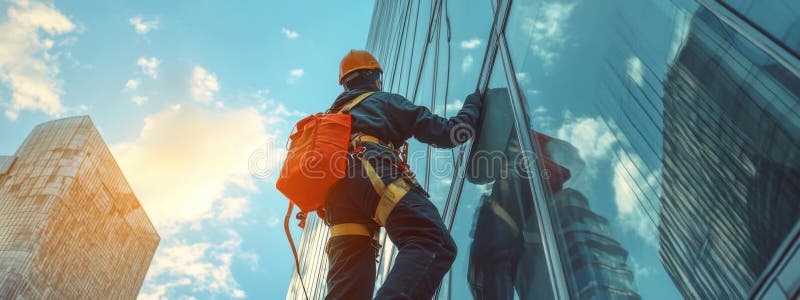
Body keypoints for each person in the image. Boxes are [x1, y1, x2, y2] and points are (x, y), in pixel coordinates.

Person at [324, 49, 481, 299]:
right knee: (431, 240)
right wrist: (473, 105)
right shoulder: (382, 101)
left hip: (336, 199)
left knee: (348, 289)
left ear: (345, 85)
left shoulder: (332, 118)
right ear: (375, 78)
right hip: (369, 171)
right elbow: (449, 133)